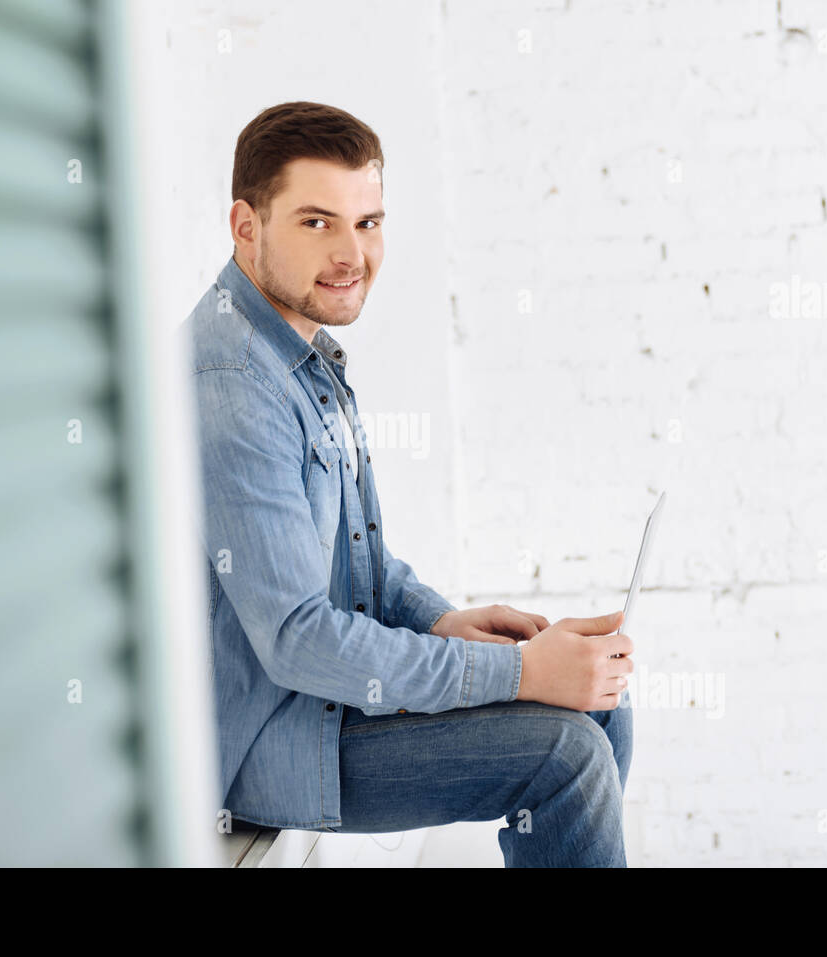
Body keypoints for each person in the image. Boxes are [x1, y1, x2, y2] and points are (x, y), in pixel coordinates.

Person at [179, 101, 635, 866]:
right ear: (245, 226)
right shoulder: (232, 383)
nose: (352, 253)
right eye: (317, 222)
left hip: (327, 702)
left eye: (368, 222)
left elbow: (360, 564)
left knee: (603, 712)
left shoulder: (300, 353)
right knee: (569, 753)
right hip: (274, 735)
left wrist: (441, 622)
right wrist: (522, 671)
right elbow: (298, 639)